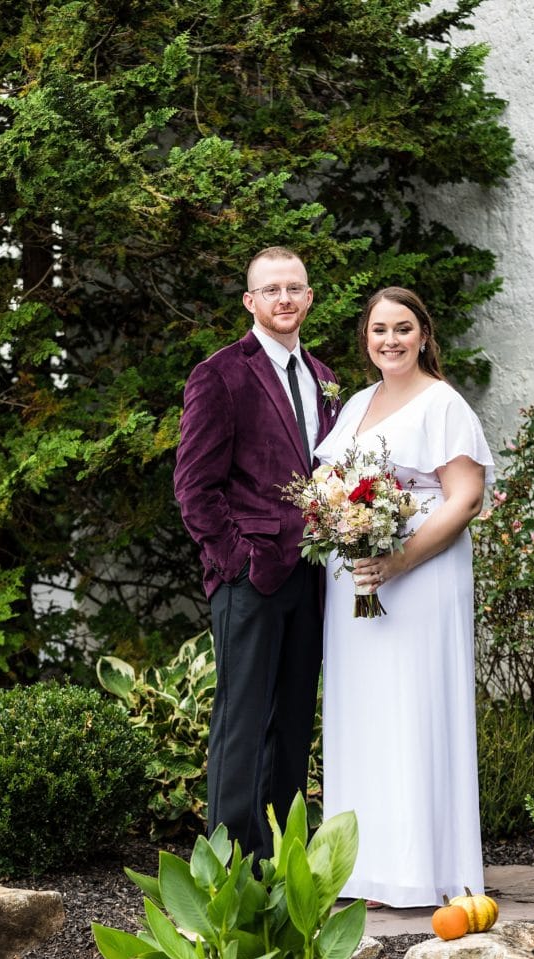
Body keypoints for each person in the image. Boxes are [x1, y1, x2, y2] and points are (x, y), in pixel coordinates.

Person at [315, 286, 494, 908]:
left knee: (415, 706)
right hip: (356, 580)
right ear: (366, 338)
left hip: (420, 576)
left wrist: (399, 561)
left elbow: (465, 497)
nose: (390, 340)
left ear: (424, 335)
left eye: (403, 329)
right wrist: (340, 527)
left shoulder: (444, 404)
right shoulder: (358, 403)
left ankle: (425, 868)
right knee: (362, 711)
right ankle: (362, 868)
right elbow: (328, 484)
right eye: (378, 329)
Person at [174, 246, 340, 863]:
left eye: (294, 288)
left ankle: (276, 863)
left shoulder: (324, 377)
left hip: (313, 575)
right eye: (270, 290)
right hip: (250, 577)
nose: (284, 300)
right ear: (250, 301)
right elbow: (194, 487)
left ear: (309, 297)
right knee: (242, 724)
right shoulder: (220, 374)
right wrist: (236, 560)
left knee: (293, 724)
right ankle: (226, 866)